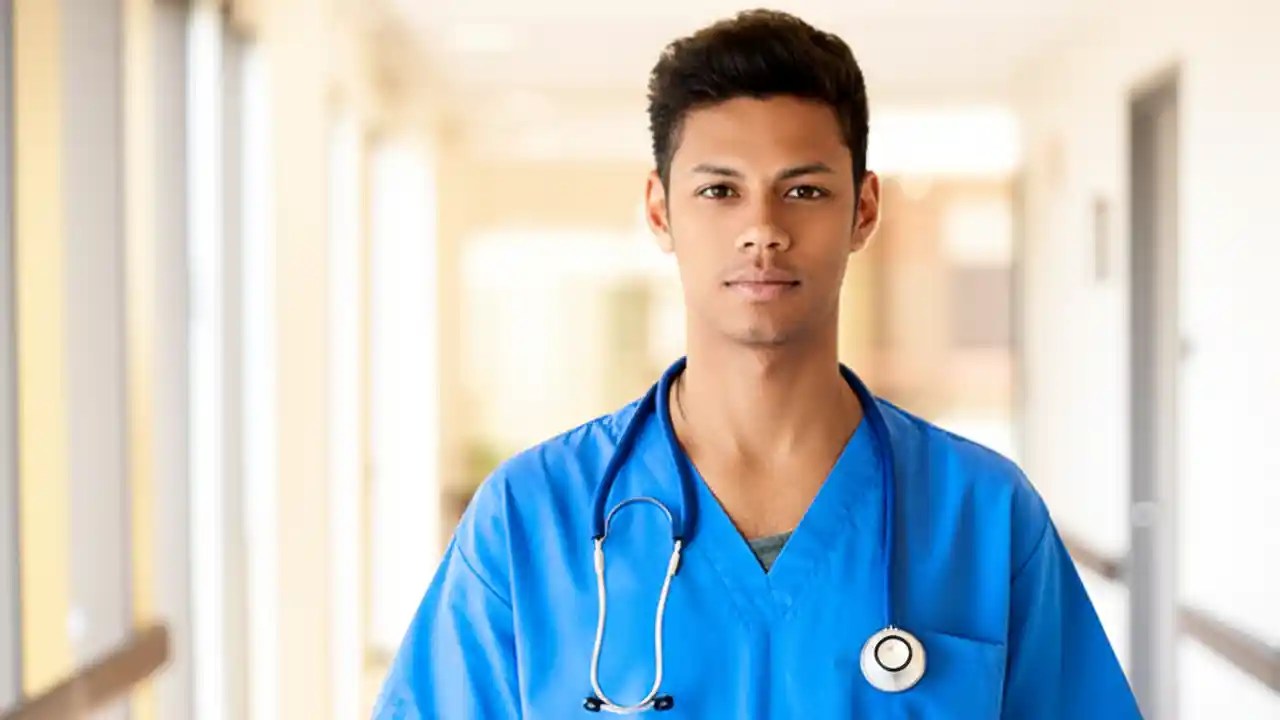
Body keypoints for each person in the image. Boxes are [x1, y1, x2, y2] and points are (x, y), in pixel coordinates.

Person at [373, 9, 1141, 719]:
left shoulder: (982, 515)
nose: (763, 230)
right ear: (659, 210)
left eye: (803, 189)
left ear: (863, 210)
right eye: (719, 190)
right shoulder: (531, 519)